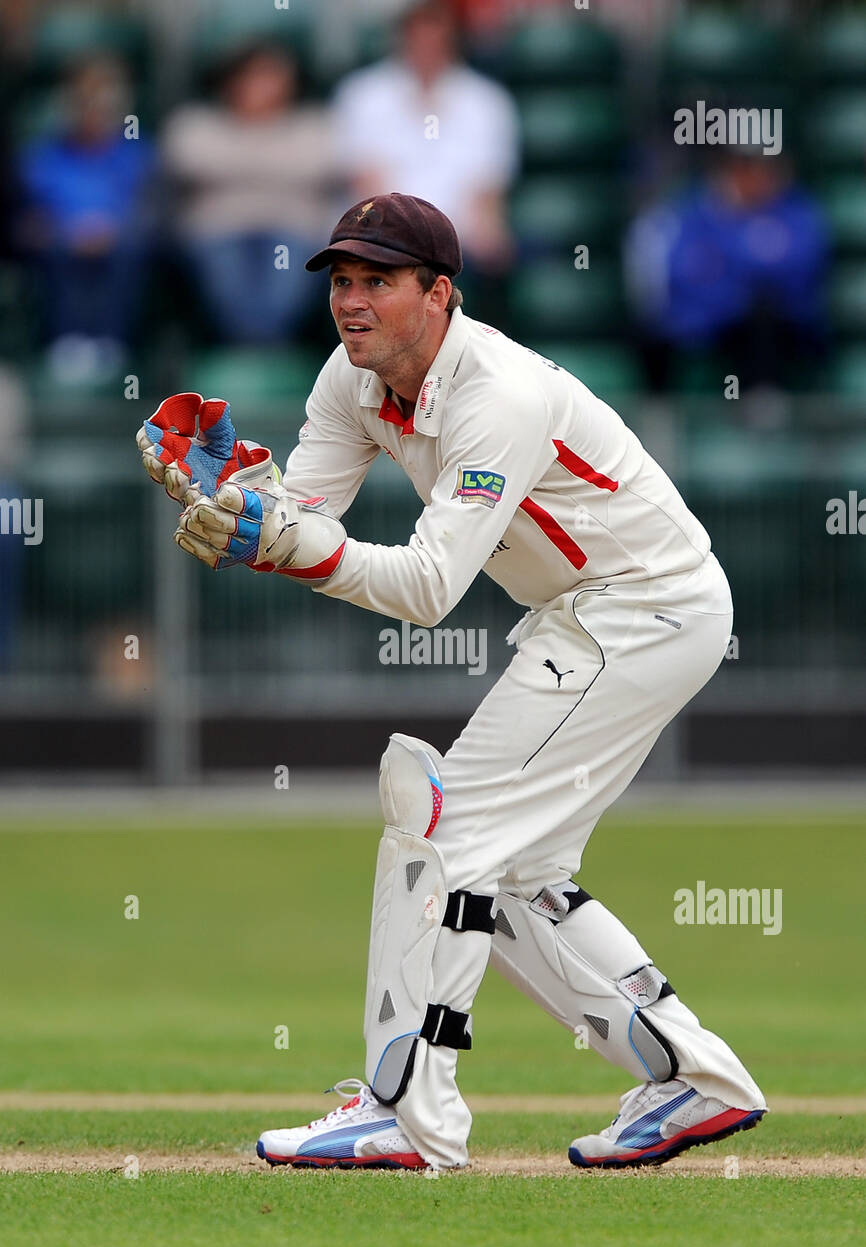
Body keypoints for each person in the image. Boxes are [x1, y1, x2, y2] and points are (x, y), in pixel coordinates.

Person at [139, 193, 766, 1171]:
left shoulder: (496, 398)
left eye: (376, 283)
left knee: (443, 824)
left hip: (642, 607)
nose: (351, 303)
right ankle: (691, 1079)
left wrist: (286, 545)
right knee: (518, 875)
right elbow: (303, 512)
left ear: (438, 294)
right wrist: (237, 495)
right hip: (598, 615)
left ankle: (405, 1111)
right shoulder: (350, 381)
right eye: (341, 282)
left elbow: (429, 588)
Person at [332, 1, 518, 312]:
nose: (426, 43)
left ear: (453, 37)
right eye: (417, 33)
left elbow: (487, 195)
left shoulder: (487, 101)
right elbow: (366, 187)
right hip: (383, 232)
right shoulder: (362, 95)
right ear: (401, 36)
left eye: (436, 32)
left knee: (493, 260)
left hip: (461, 239)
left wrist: (481, 237)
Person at [161, 42, 338, 345]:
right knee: (226, 281)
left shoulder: (313, 124)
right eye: (253, 77)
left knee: (285, 289)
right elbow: (185, 160)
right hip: (219, 229)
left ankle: (261, 355)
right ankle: (251, 354)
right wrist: (277, 165)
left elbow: (322, 164)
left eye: (273, 77)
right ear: (231, 82)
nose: (263, 87)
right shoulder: (197, 123)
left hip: (292, 229)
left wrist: (234, 166)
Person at [625, 149, 829, 392]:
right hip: (711, 317)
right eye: (743, 166)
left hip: (781, 324)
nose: (752, 175)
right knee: (650, 330)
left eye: (759, 167)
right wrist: (740, 270)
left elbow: (799, 269)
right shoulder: (696, 213)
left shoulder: (797, 213)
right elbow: (683, 271)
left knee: (762, 316)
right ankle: (658, 413)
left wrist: (729, 267)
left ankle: (763, 404)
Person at [16, 53, 155, 381]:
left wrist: (110, 230)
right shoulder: (43, 155)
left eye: (103, 102)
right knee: (58, 250)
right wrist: (67, 230)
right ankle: (66, 343)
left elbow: (149, 210)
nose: (94, 111)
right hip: (60, 241)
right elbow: (30, 214)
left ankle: (112, 343)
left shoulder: (137, 153)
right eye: (84, 102)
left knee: (128, 248)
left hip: (120, 240)